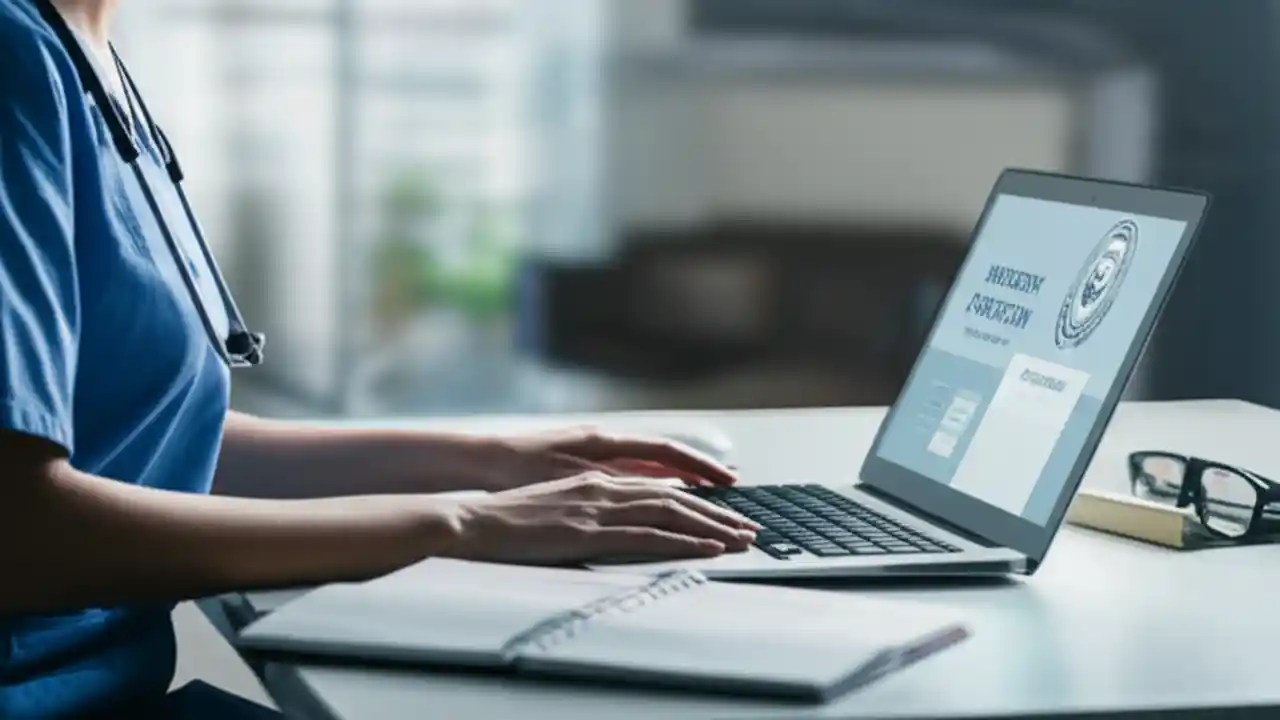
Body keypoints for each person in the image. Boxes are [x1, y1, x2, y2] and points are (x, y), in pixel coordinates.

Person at [0, 1, 759, 717]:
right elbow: (23, 527)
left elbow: (146, 441)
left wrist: (495, 460)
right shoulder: (13, 59)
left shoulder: (82, 46)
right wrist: (459, 523)